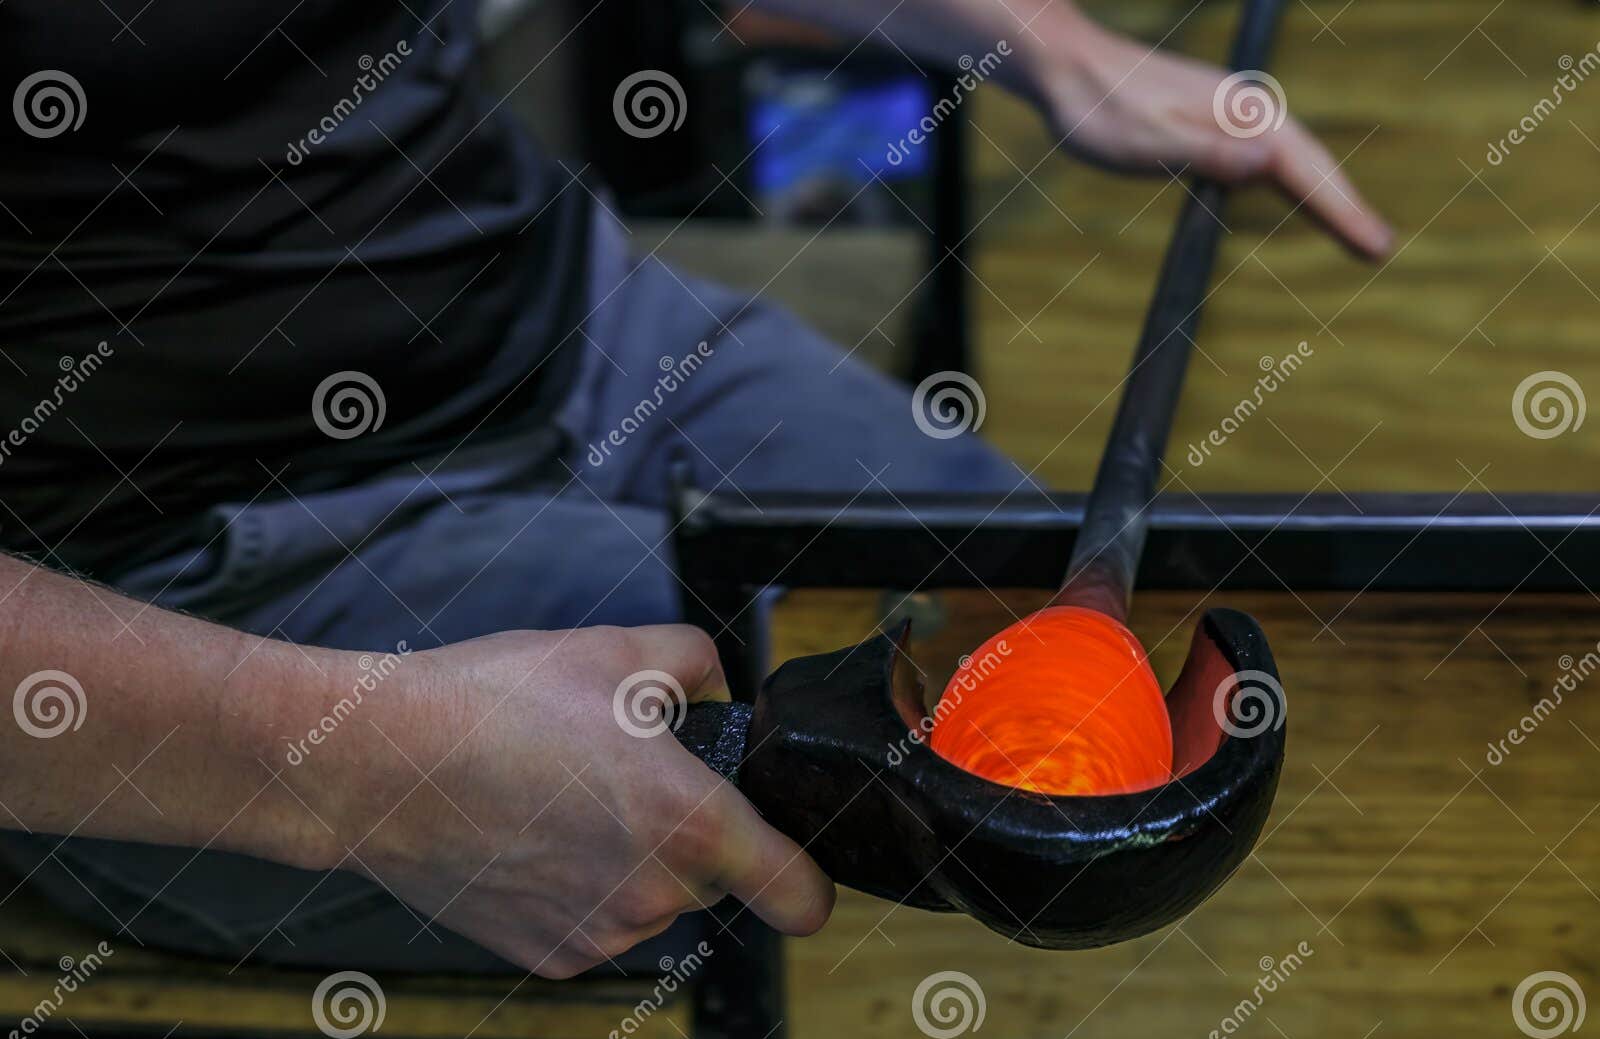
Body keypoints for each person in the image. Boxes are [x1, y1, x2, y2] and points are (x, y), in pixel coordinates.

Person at [0, 0, 1390, 980]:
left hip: (584, 327)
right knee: (912, 886)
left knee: (1039, 739)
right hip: (172, 576)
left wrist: (1048, 40)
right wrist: (364, 777)